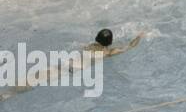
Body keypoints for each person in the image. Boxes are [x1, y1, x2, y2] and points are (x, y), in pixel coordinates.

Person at [0, 28, 144, 102]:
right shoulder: (107, 53)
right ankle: (5, 96)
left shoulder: (89, 45)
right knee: (29, 85)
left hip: (61, 65)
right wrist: (140, 36)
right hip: (67, 72)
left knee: (31, 79)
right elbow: (129, 47)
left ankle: (5, 93)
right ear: (110, 42)